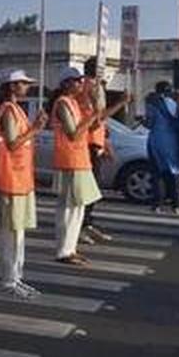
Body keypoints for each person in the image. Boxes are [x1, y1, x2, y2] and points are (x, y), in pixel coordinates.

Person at [52, 67, 129, 265]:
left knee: (77, 207)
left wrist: (96, 111)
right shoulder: (62, 104)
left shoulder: (74, 104)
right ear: (66, 84)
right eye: (75, 81)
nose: (80, 84)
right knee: (69, 208)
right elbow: (73, 133)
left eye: (80, 80)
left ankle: (70, 248)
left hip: (80, 158)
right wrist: (93, 113)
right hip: (69, 159)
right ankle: (64, 250)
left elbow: (92, 127)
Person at [0, 70, 49, 298]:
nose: (27, 87)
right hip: (10, 178)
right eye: (23, 84)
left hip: (22, 178)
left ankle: (17, 276)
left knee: (20, 231)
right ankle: (8, 279)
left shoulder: (17, 110)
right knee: (11, 232)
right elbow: (13, 143)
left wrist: (35, 127)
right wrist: (35, 129)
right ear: (12, 86)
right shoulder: (7, 110)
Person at [79, 57, 114, 244]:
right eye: (101, 67)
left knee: (94, 188)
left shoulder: (97, 86)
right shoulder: (89, 87)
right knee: (89, 189)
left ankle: (88, 222)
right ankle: (82, 225)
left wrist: (105, 142)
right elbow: (97, 118)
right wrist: (121, 103)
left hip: (96, 141)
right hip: (89, 142)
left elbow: (101, 122)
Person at [145, 81, 179, 214]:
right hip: (172, 142)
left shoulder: (152, 104)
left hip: (156, 141)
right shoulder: (176, 105)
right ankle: (176, 206)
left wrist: (142, 121)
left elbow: (150, 123)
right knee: (174, 174)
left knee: (157, 173)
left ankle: (157, 205)